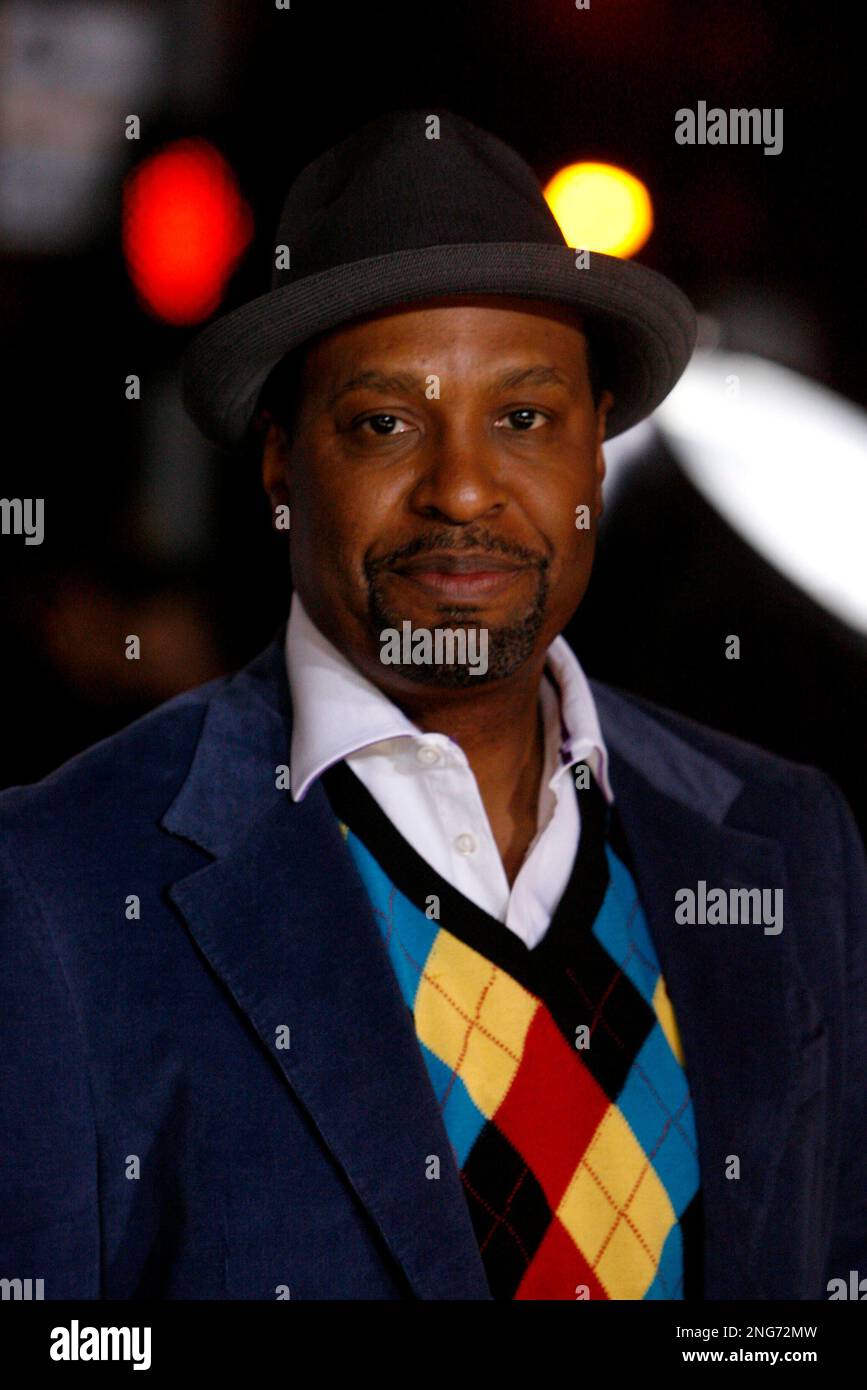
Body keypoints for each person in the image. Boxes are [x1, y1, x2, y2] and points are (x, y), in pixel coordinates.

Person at [1, 108, 864, 1302]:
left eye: (524, 418)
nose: (462, 487)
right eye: (384, 423)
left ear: (596, 456)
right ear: (278, 465)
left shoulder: (788, 837)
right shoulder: (58, 885)